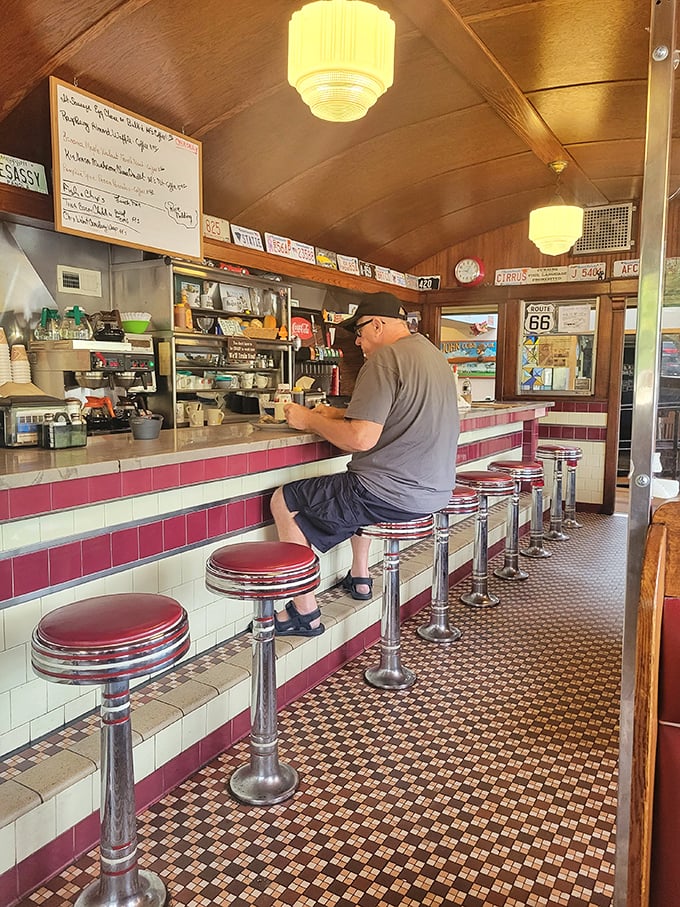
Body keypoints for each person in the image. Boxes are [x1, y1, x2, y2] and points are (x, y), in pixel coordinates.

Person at [269, 291, 460, 636]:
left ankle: (305, 612)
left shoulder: (385, 358)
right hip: (434, 493)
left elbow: (360, 439)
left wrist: (308, 420)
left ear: (377, 324)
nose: (357, 341)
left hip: (391, 494)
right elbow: (395, 413)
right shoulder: (433, 355)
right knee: (353, 485)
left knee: (285, 500)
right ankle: (360, 576)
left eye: (358, 331)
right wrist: (338, 413)